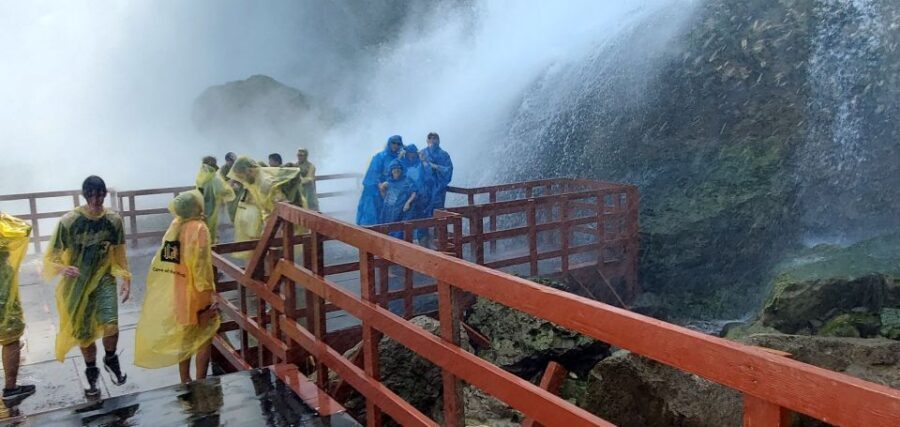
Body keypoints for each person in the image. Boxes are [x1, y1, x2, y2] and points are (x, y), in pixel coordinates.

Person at [43, 176, 131, 398]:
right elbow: (49, 258)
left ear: (104, 195)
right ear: (85, 196)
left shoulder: (113, 220)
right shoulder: (70, 222)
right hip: (76, 284)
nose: (96, 201)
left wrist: (126, 279)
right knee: (84, 333)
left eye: (100, 195)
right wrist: (63, 269)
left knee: (111, 324)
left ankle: (110, 358)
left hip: (103, 278)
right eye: (92, 196)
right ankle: (91, 370)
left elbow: (120, 252)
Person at [135, 190, 219, 384]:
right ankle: (200, 381)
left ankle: (184, 379)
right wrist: (210, 293)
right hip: (198, 291)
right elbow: (201, 266)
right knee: (204, 337)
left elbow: (167, 258)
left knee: (185, 336)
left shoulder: (175, 226)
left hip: (180, 289)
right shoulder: (200, 228)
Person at [0, 213, 35, 402]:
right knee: (10, 338)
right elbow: (24, 228)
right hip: (2, 294)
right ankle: (10, 388)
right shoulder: (2, 228)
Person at [227, 156, 306, 237]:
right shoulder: (256, 181)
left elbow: (282, 206)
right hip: (274, 220)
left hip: (284, 222)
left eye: (242, 177)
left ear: (249, 171)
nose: (243, 180)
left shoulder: (266, 183)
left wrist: (274, 230)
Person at [356, 135, 403, 225]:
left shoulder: (400, 158)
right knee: (372, 210)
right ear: (389, 143)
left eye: (398, 144)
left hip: (392, 189)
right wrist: (380, 185)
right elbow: (373, 173)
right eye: (393, 143)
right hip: (376, 188)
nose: (395, 145)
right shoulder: (380, 157)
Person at [196, 157, 235, 244]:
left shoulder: (200, 175)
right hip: (212, 204)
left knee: (203, 223)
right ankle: (211, 245)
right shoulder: (214, 178)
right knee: (211, 225)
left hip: (201, 203)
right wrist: (230, 186)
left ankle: (203, 243)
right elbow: (222, 190)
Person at [400, 144, 434, 241]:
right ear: (406, 153)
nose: (412, 155)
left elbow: (429, 176)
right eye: (410, 153)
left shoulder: (421, 163)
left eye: (413, 153)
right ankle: (407, 241)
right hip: (407, 196)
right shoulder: (402, 163)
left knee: (421, 219)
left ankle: (422, 240)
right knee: (406, 219)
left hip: (421, 196)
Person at [379, 160, 416, 239]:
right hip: (389, 211)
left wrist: (408, 203)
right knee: (387, 230)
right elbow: (383, 191)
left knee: (399, 232)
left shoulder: (407, 180)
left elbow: (414, 192)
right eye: (394, 169)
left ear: (401, 170)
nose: (396, 170)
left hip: (401, 211)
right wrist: (383, 193)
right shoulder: (389, 182)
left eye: (398, 168)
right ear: (391, 171)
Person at [420, 132, 453, 215]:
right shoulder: (422, 153)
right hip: (425, 188)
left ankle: (437, 227)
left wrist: (436, 167)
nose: (432, 140)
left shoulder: (444, 155)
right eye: (430, 138)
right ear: (427, 140)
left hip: (439, 188)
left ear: (438, 140)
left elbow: (448, 170)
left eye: (434, 138)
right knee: (423, 212)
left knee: (437, 212)